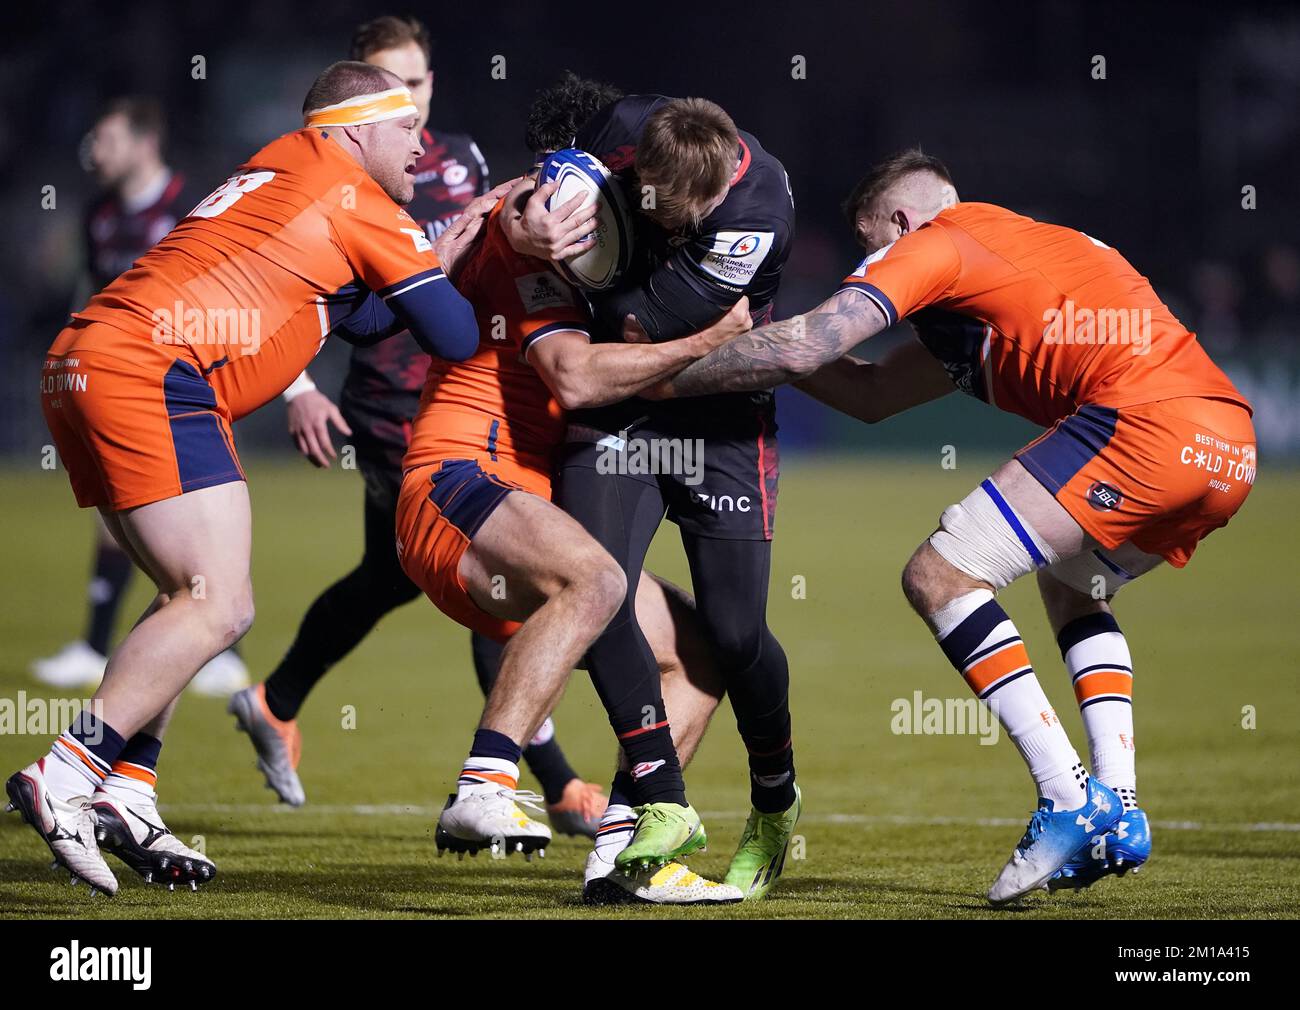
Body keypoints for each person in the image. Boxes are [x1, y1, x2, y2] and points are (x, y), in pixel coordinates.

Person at [652, 149, 1256, 904]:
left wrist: (662, 367)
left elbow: (812, 342)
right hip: (1227, 446)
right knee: (1072, 586)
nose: (877, 266)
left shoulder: (941, 242)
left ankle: (1066, 795)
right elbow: (872, 394)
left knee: (939, 575)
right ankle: (1121, 805)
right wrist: (752, 334)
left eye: (875, 248)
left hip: (1145, 425)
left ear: (902, 224)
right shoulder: (1009, 265)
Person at [6, 61, 498, 896]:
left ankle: (130, 789)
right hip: (155, 372)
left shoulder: (280, 163)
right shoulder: (358, 195)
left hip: (89, 362)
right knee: (220, 604)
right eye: (404, 127)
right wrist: (446, 256)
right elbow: (452, 336)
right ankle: (68, 771)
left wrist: (425, 259)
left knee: (187, 600)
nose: (421, 142)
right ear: (351, 130)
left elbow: (355, 314)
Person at [226, 15, 605, 838]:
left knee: (402, 574)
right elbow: (277, 284)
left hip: (456, 390)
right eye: (391, 85)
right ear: (357, 97)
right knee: (488, 572)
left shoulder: (461, 161)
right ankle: (551, 784)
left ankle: (274, 699)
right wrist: (296, 389)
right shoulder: (338, 175)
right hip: (386, 406)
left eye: (421, 82)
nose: (412, 101)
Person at [503, 91, 802, 898]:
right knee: (591, 589)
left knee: (737, 636)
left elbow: (640, 327)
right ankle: (660, 799)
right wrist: (524, 219)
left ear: (712, 194)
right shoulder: (628, 128)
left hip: (724, 420)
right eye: (657, 213)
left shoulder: (756, 208)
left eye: (684, 221)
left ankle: (775, 798)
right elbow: (542, 193)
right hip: (621, 414)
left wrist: (572, 258)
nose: (673, 229)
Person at [30, 96, 248, 697]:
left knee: (194, 513)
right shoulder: (98, 214)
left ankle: (221, 647)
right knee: (122, 516)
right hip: (120, 381)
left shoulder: (189, 207)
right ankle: (100, 645)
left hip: (182, 380)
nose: (94, 152)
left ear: (145, 143)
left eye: (107, 139)